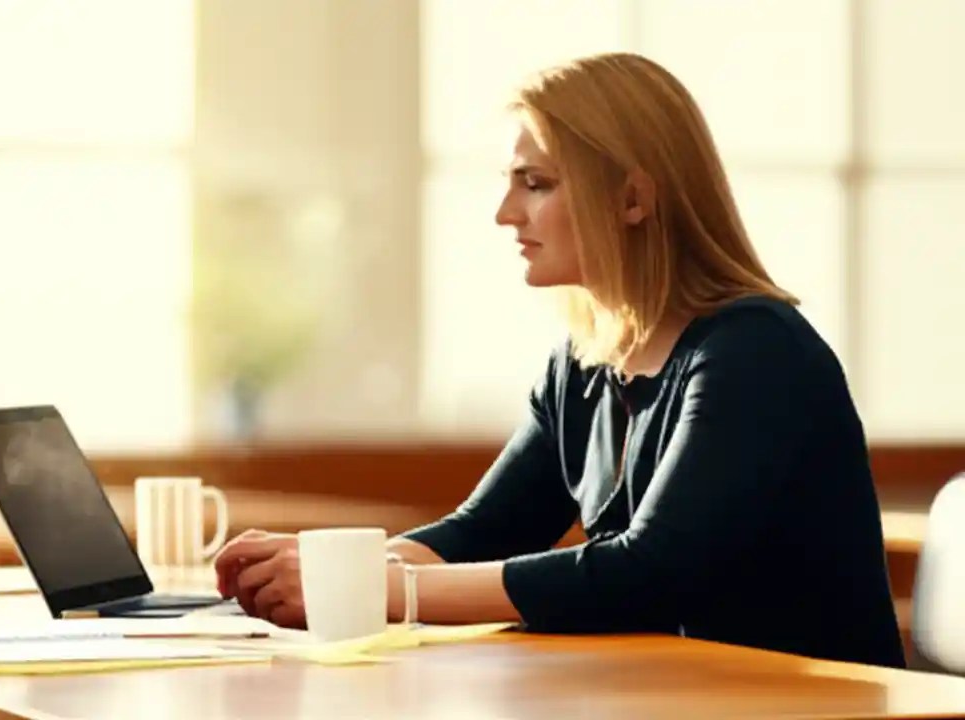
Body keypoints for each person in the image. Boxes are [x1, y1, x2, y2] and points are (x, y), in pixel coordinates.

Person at [212, 52, 906, 669]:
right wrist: (338, 567)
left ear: (633, 198)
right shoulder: (581, 366)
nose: (505, 213)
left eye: (535, 183)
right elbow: (480, 534)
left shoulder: (756, 351)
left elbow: (648, 572)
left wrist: (386, 589)